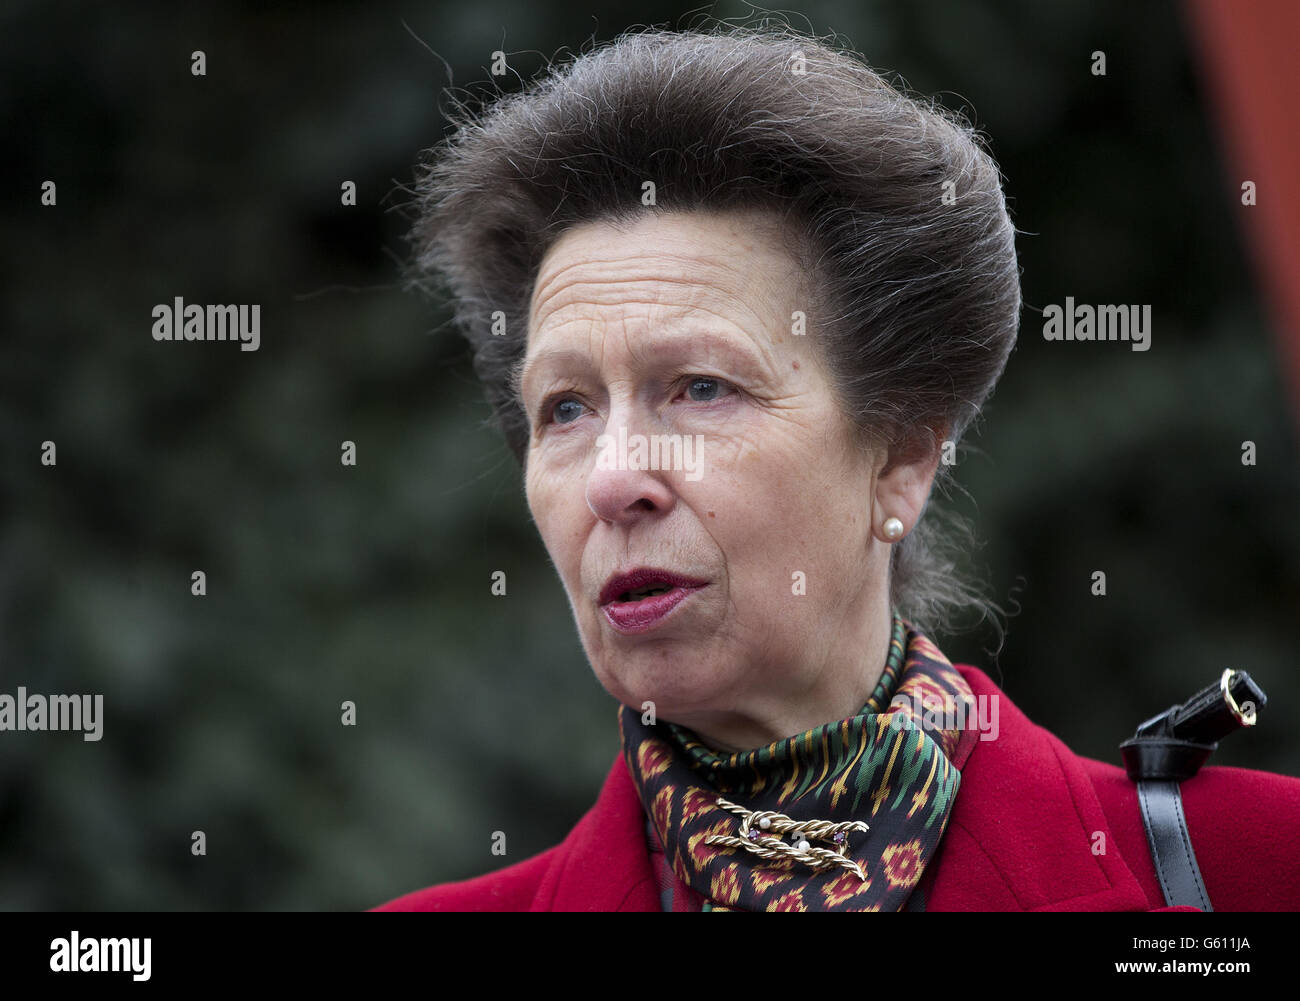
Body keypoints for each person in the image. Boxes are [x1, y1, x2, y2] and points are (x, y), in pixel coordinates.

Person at [374, 21, 1300, 911]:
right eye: (566, 408)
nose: (612, 481)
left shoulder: (1256, 867)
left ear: (901, 457)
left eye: (701, 388)